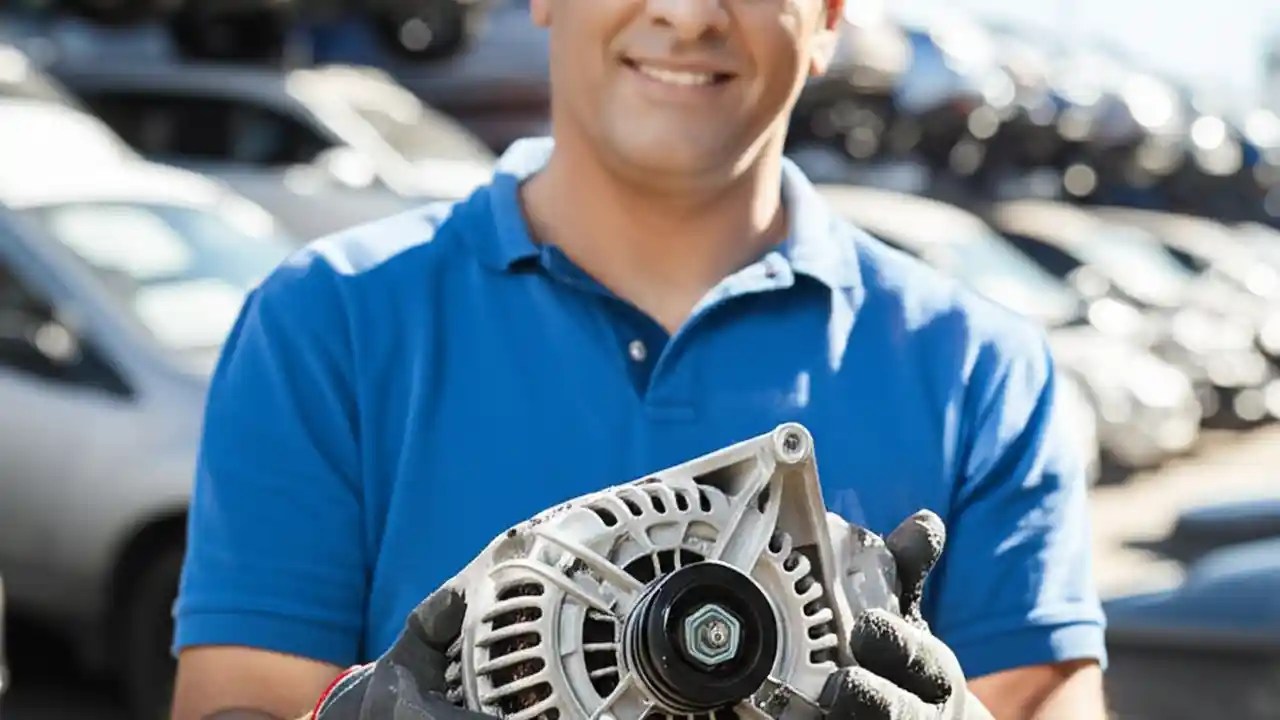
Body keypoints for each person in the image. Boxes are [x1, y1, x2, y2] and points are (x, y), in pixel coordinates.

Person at [170, 1, 1108, 719]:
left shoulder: (980, 370)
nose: (689, 15)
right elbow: (238, 698)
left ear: (827, 18)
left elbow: (1044, 701)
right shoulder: (328, 320)